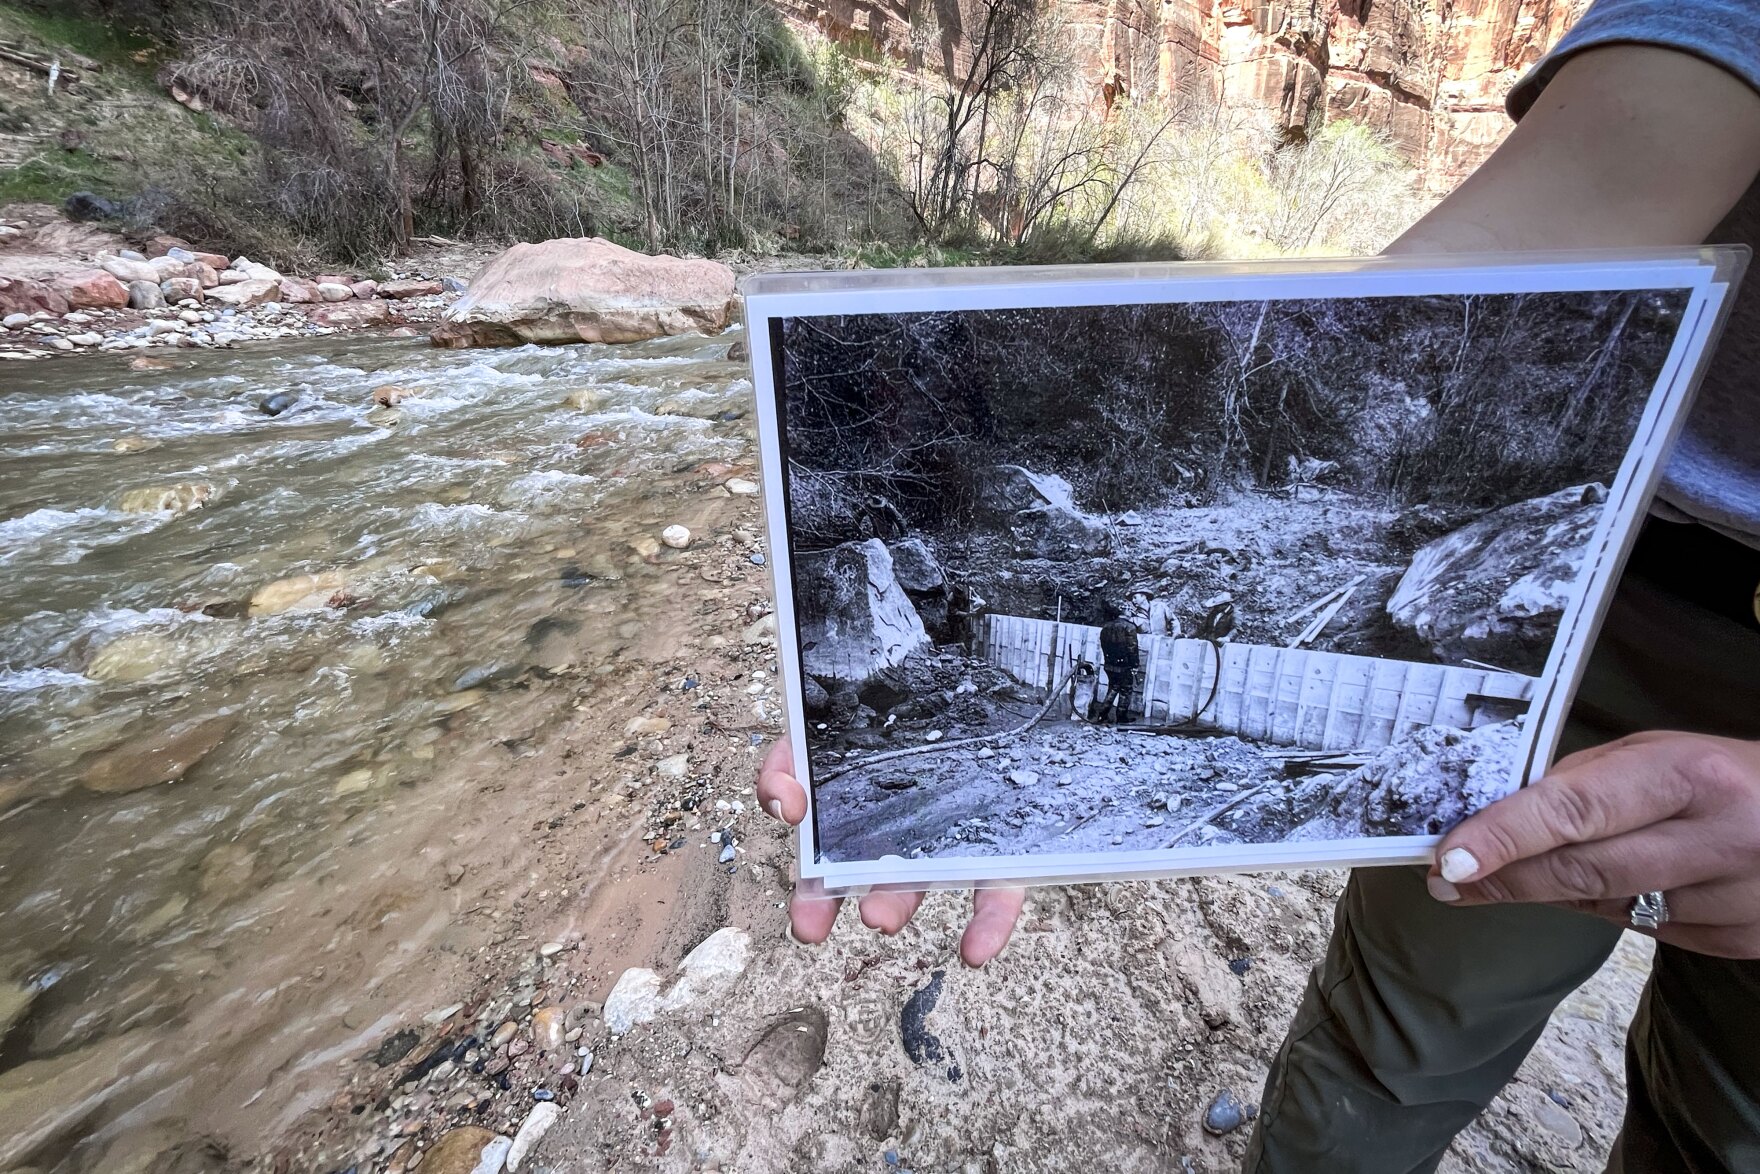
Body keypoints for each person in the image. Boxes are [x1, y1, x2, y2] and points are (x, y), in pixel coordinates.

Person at [759, 0, 1760, 1162]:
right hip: (1609, 579)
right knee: (1389, 1040)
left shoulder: (1149, 593)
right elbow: (1557, 218)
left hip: (1577, 582)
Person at [1093, 602, 1141, 724]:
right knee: (1126, 690)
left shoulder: (1106, 626)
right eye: (1130, 611)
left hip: (1109, 664)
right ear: (1127, 612)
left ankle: (1102, 715)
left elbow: (1104, 646)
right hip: (1124, 666)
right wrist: (1135, 665)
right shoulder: (1130, 627)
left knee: (1113, 688)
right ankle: (1121, 718)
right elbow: (1132, 648)